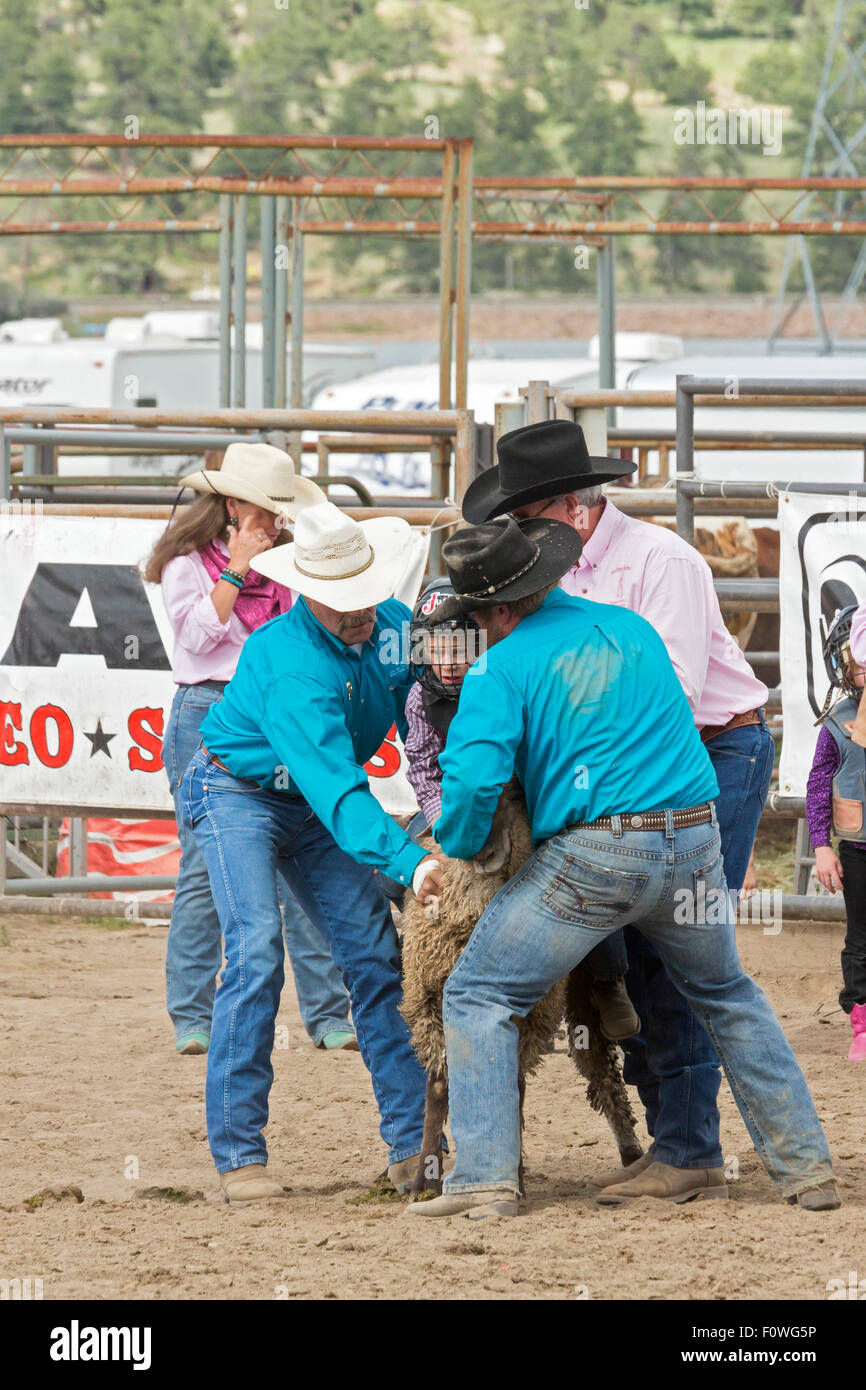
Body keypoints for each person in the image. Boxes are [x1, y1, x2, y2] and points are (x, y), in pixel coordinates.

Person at [408, 516, 838, 1220]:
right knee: (726, 992)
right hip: (694, 833)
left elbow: (473, 793)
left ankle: (484, 1181)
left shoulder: (499, 666)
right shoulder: (629, 629)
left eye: (477, 617)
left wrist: (457, 845)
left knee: (479, 994)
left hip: (599, 853)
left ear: (500, 610)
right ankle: (807, 1168)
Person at [459, 420, 774, 1205]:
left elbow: (667, 693)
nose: (517, 533)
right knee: (638, 953)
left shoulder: (659, 562)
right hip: (641, 780)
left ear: (570, 507)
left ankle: (689, 1146)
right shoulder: (567, 576)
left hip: (705, 758)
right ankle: (679, 1137)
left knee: (677, 957)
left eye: (525, 517)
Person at [179, 501, 442, 1205]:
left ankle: (414, 1145)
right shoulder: (290, 663)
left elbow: (439, 695)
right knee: (258, 947)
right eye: (344, 605)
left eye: (366, 599)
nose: (362, 616)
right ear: (308, 594)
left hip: (312, 802)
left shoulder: (390, 625)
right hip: (238, 791)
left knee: (373, 957)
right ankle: (240, 1156)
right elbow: (339, 790)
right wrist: (414, 861)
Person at [146, 443, 357, 1056]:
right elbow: (195, 636)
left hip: (271, 709)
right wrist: (236, 568)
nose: (278, 521)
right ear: (234, 507)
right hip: (209, 707)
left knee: (305, 853)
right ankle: (194, 1016)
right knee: (203, 866)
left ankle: (326, 1012)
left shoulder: (286, 563)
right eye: (269, 510)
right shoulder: (187, 562)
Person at [405, 577, 640, 1042]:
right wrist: (437, 820)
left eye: (461, 647)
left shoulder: (506, 676)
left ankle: (607, 977)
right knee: (400, 866)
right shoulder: (420, 700)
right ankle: (420, 976)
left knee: (582, 868)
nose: (449, 662)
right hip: (455, 806)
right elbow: (421, 766)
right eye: (437, 648)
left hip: (526, 801)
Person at [806, 605, 866, 1063]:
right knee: (861, 936)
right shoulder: (837, 721)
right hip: (860, 849)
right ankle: (862, 1021)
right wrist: (822, 846)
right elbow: (819, 780)